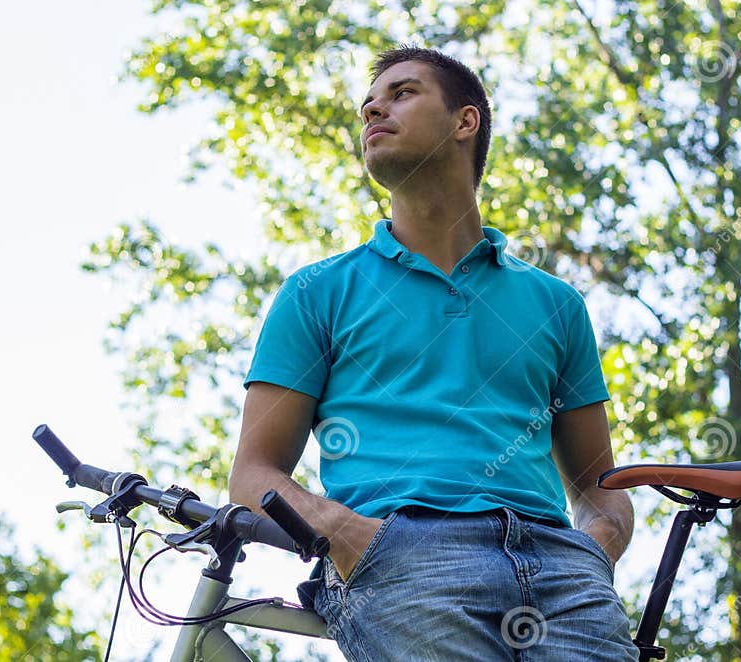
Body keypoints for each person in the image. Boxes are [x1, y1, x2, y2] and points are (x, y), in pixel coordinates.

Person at [229, 44, 640, 661]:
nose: (373, 109)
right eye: (369, 102)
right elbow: (253, 475)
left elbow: (599, 484)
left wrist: (594, 548)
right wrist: (348, 535)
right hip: (397, 555)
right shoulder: (317, 293)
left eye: (402, 93)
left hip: (563, 572)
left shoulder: (555, 304)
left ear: (464, 122)